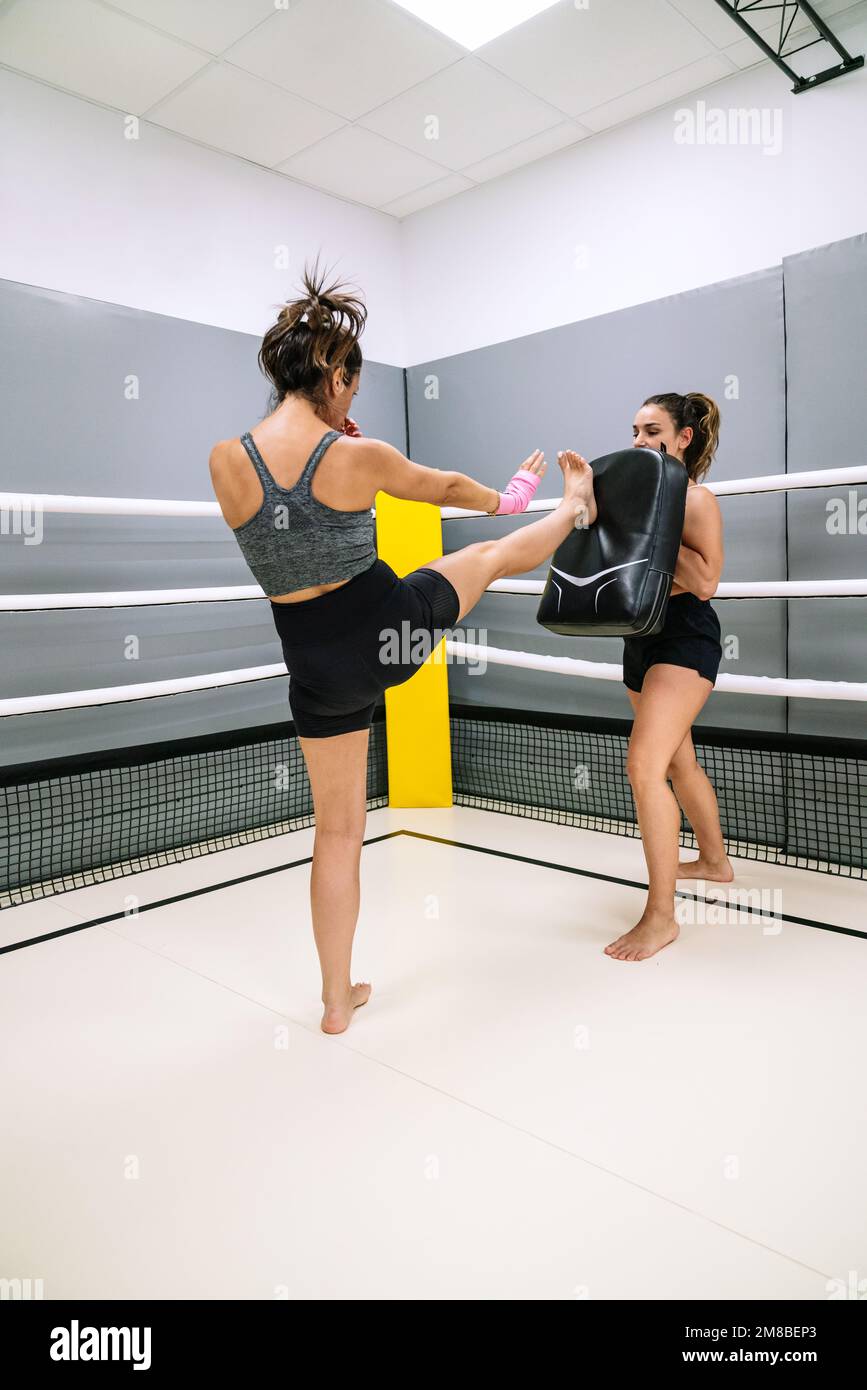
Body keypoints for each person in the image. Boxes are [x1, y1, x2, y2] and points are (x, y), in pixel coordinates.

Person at [209, 265, 596, 1032]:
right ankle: (572, 509)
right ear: (337, 375)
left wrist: (334, 442)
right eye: (352, 384)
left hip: (312, 668)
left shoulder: (225, 460)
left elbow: (288, 517)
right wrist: (509, 498)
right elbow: (448, 487)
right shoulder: (362, 455)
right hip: (385, 634)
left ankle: (333, 1002)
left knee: (337, 832)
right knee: (482, 558)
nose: (355, 397)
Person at [604, 393, 731, 964]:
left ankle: (661, 917)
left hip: (684, 637)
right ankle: (714, 862)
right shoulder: (634, 492)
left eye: (651, 429)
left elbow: (704, 582)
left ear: (683, 438)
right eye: (634, 430)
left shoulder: (696, 499)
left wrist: (658, 518)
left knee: (644, 765)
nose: (638, 440)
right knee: (678, 761)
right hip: (638, 636)